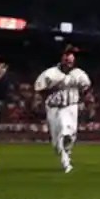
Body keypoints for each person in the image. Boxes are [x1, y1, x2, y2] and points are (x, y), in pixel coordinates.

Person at [33, 45, 91, 173]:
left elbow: (86, 91)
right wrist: (37, 104)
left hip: (71, 107)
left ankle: (66, 159)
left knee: (68, 135)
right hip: (54, 109)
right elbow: (39, 91)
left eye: (71, 55)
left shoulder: (79, 74)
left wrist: (90, 106)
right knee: (58, 140)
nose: (69, 57)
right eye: (67, 55)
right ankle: (65, 158)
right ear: (62, 57)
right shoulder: (49, 73)